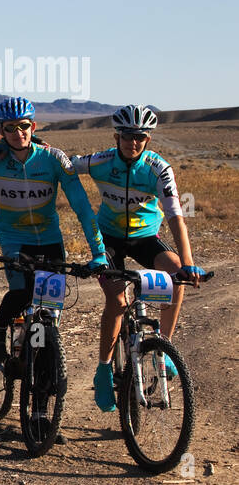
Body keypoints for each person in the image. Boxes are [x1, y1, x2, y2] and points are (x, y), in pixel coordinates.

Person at [0, 97, 106, 436]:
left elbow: (82, 208)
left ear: (33, 127)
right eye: (9, 128)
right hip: (13, 240)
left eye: (24, 127)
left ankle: (40, 413)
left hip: (49, 240)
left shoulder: (53, 159)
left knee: (47, 330)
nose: (18, 133)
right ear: (1, 131)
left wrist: (99, 253)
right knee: (21, 291)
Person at [69, 105, 205, 412]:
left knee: (175, 278)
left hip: (145, 237)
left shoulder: (159, 168)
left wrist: (187, 263)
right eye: (128, 136)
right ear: (117, 136)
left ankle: (164, 349)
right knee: (117, 302)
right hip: (110, 239)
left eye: (141, 137)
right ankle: (104, 369)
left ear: (148, 139)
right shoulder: (101, 161)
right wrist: (40, 147)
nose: (134, 142)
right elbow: (65, 164)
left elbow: (176, 218)